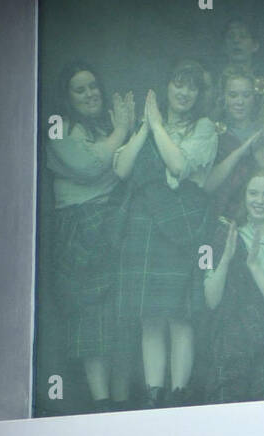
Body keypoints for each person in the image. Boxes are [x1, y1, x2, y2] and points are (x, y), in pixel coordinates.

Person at [113, 59, 218, 406]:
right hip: (145, 229)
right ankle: (153, 395)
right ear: (166, 88)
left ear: (200, 94)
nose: (184, 92)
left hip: (182, 226)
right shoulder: (150, 125)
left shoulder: (204, 128)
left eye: (192, 87)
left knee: (180, 316)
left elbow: (179, 166)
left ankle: (178, 394)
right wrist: (145, 127)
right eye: (178, 84)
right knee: (150, 317)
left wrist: (157, 128)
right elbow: (123, 169)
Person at [45, 62, 135, 408]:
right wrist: (122, 132)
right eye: (79, 89)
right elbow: (89, 166)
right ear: (67, 97)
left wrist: (121, 131)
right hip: (80, 230)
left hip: (116, 223)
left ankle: (123, 404)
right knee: (90, 316)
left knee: (121, 314)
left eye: (93, 86)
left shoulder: (108, 124)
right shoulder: (58, 127)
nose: (89, 94)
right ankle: (101, 403)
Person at [204, 169, 264, 403]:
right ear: (244, 196)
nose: (259, 201)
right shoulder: (226, 234)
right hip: (231, 340)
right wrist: (226, 259)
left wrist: (254, 267)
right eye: (253, 193)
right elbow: (211, 300)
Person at [205, 71, 264, 222]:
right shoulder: (212, 134)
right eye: (233, 95)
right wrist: (241, 151)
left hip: (263, 219)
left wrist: (258, 152)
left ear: (255, 98)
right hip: (220, 218)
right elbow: (206, 186)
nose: (240, 102)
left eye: (246, 95)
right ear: (223, 98)